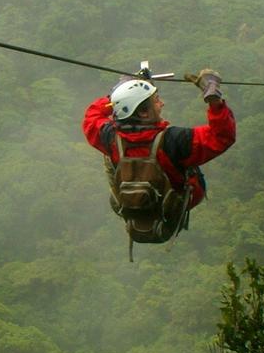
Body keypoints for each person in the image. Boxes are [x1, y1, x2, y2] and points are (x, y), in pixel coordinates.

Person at [83, 69, 234, 243]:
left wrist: (117, 94)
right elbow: (222, 136)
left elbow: (91, 117)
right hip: (172, 207)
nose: (162, 104)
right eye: (156, 101)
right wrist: (215, 101)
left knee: (109, 158)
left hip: (133, 206)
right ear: (144, 113)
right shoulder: (175, 141)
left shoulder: (110, 137)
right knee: (184, 163)